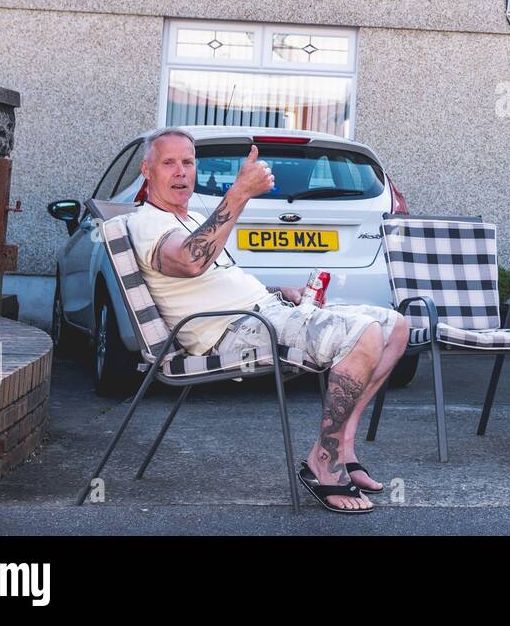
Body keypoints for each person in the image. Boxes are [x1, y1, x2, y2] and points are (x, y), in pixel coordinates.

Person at [126, 127, 409, 513]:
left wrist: (278, 291)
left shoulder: (191, 216)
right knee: (365, 335)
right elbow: (191, 261)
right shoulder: (147, 223)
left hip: (263, 312)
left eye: (188, 162)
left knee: (396, 326)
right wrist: (240, 193)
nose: (180, 172)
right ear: (147, 170)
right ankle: (323, 464)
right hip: (230, 332)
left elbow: (219, 280)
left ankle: (341, 445)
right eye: (168, 163)